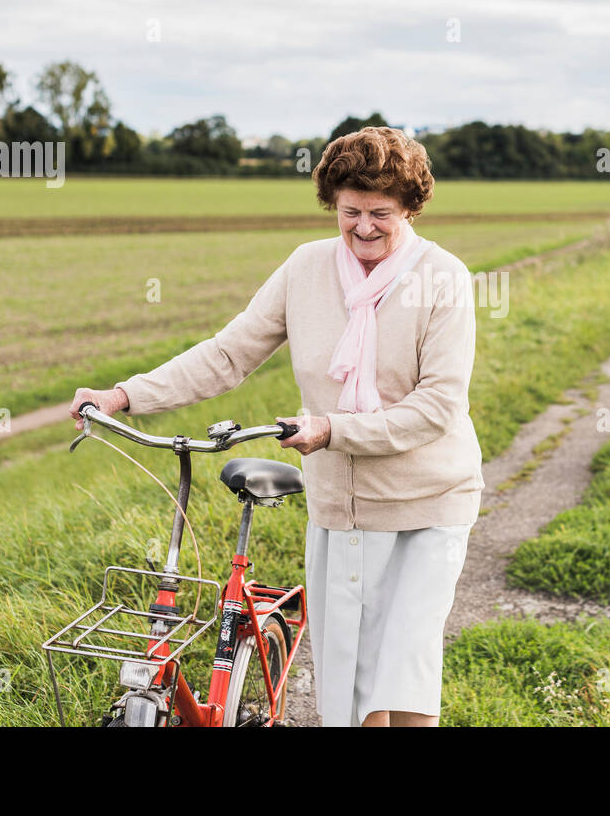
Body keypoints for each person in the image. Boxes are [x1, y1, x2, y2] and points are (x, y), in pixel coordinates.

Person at [69, 126, 484, 727]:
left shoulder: (443, 278)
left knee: (402, 672)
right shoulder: (307, 268)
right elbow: (226, 354)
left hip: (430, 503)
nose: (364, 227)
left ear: (411, 208)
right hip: (339, 507)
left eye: (381, 213)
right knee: (348, 676)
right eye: (350, 212)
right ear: (331, 206)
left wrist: (333, 431)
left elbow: (438, 406)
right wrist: (124, 395)